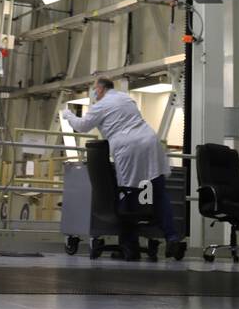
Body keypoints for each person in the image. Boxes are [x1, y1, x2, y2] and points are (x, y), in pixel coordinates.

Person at [62, 76, 185, 261]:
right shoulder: (126, 98)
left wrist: (67, 114)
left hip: (129, 148)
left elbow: (82, 126)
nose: (94, 93)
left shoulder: (101, 106)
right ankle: (172, 237)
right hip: (151, 142)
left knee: (129, 193)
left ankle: (129, 247)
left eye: (95, 89)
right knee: (159, 193)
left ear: (101, 89)